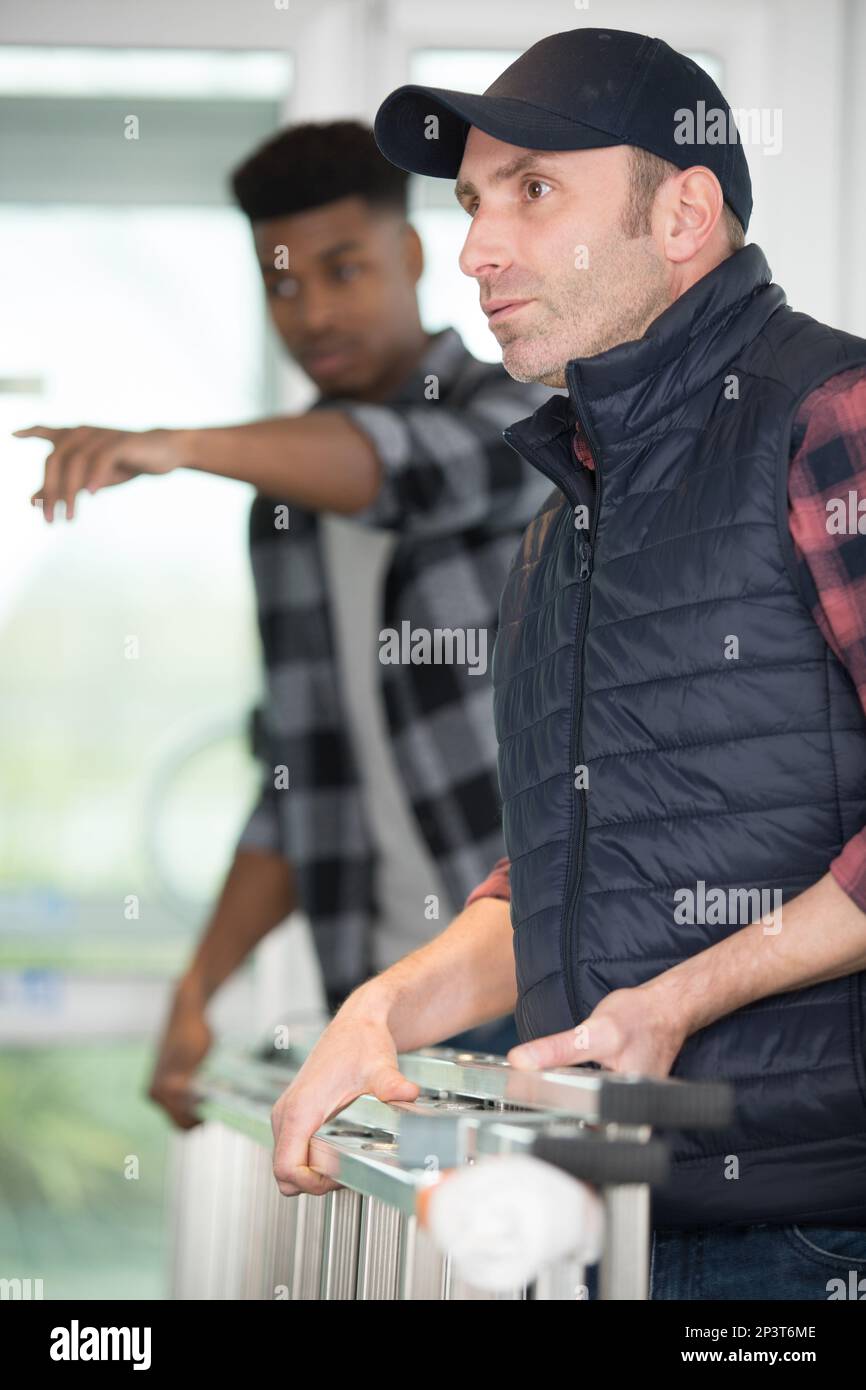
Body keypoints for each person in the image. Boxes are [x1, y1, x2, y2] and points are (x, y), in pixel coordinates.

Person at [263, 30, 866, 1301]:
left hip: (815, 1233)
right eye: (474, 201)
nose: (478, 247)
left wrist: (685, 994)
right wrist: (381, 1009)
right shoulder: (564, 514)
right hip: (619, 1224)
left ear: (683, 210)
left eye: (532, 191)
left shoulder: (833, 416)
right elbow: (560, 881)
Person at [14, 121, 552, 1127]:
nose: (311, 311)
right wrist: (196, 987)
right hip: (379, 1012)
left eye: (342, 269)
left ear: (408, 255)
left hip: (530, 983)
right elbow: (297, 781)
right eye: (281, 284)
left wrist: (170, 443)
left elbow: (398, 465)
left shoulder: (521, 420)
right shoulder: (278, 514)